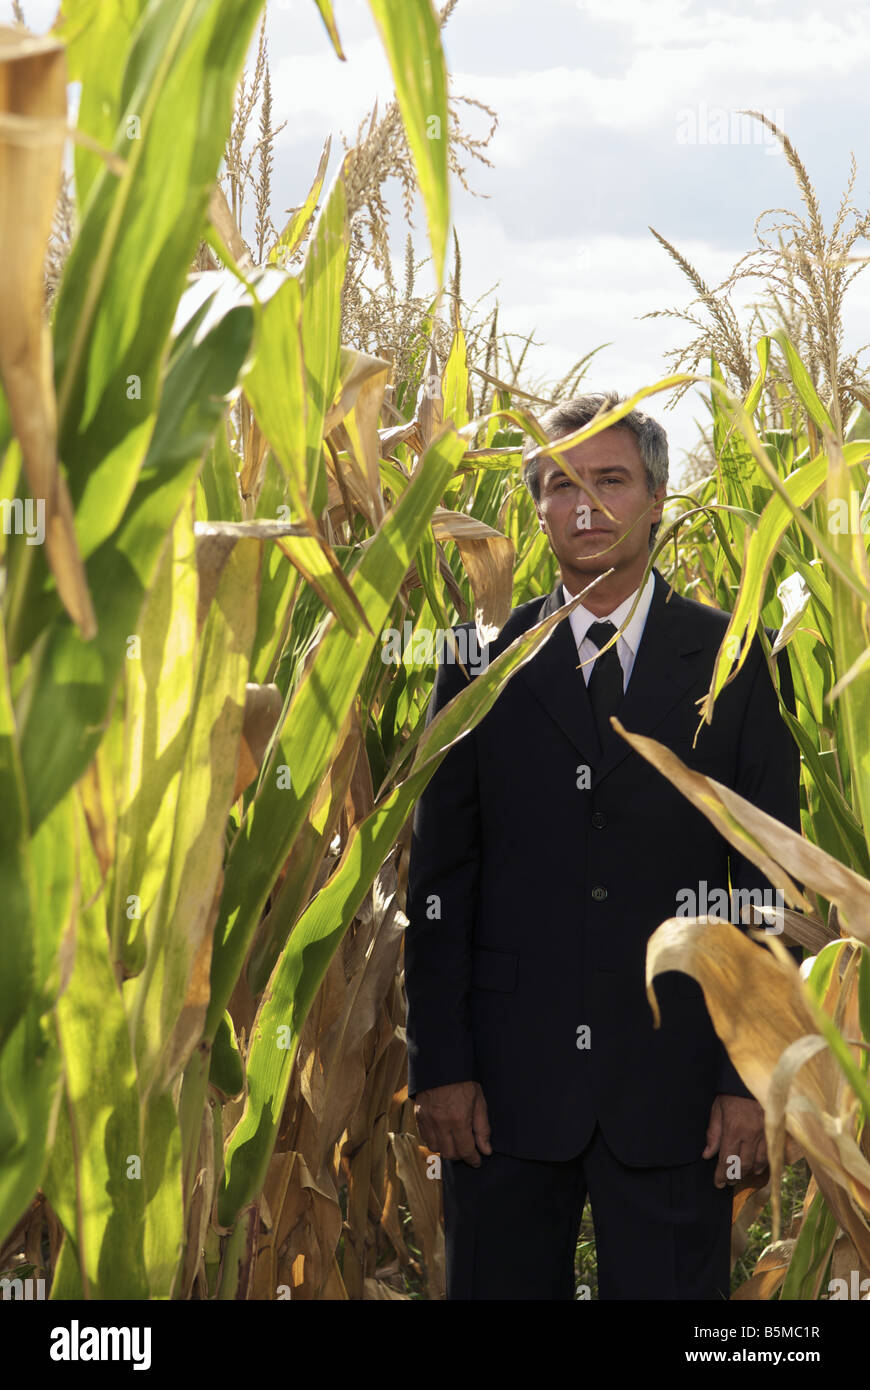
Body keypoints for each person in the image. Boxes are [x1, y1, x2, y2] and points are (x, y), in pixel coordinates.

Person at [403, 392, 802, 1300]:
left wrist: (751, 1083)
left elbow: (765, 884)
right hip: (502, 1094)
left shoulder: (733, 658)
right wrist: (443, 1065)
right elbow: (439, 877)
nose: (585, 507)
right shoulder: (481, 660)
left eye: (610, 482)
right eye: (560, 486)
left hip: (681, 1094)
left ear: (657, 500)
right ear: (537, 508)